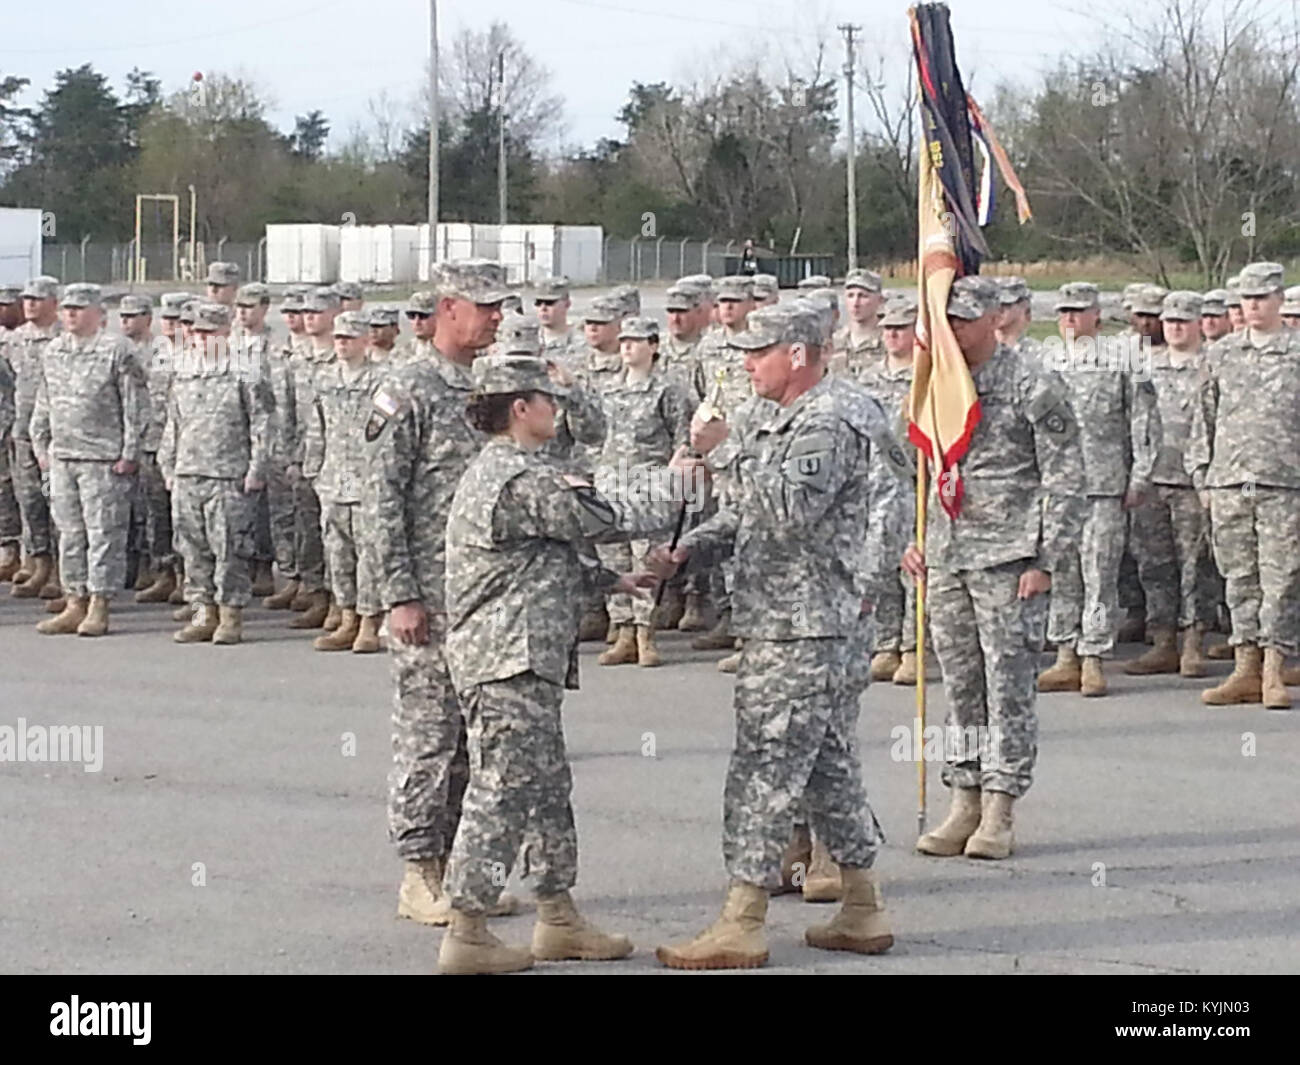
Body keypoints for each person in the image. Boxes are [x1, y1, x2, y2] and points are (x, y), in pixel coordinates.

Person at [649, 303, 907, 969]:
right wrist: (690, 550)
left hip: (807, 624)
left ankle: (743, 917)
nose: (746, 364)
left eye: (758, 352)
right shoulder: (781, 416)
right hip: (786, 616)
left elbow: (791, 510)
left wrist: (722, 448)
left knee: (765, 767)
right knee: (826, 768)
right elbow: (750, 515)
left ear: (798, 353)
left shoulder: (829, 418)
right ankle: (862, 903)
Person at [437, 350, 679, 975]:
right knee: (502, 790)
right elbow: (606, 517)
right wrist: (683, 473)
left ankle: (557, 914)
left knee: (545, 788)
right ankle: (467, 925)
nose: (558, 410)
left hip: (522, 655)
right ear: (522, 408)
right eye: (550, 400)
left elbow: (539, 559)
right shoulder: (519, 478)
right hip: (504, 659)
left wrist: (608, 581)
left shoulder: (514, 471)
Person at [363, 259, 521, 927]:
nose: (495, 317)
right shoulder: (408, 388)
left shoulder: (487, 386)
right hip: (429, 598)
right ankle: (418, 872)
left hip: (484, 597)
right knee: (427, 737)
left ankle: (460, 871)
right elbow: (381, 498)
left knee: (470, 741)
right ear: (449, 308)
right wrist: (399, 593)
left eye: (498, 306)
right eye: (483, 306)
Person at [905, 276, 1086, 860]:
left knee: (1007, 685)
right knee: (961, 684)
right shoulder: (936, 383)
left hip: (1010, 556)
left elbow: (1065, 477)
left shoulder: (1034, 382)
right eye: (944, 321)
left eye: (963, 320)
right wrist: (915, 537)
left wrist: (1047, 560)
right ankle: (964, 797)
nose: (953, 330)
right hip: (949, 552)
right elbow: (906, 460)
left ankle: (1001, 807)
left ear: (992, 320)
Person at [1036, 281, 1160, 698]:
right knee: (1062, 573)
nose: (1070, 318)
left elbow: (1142, 418)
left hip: (1104, 484)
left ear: (1097, 317)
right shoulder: (1045, 362)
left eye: (1078, 311)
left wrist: (1141, 473)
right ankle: (1065, 652)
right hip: (1057, 487)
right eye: (1064, 311)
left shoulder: (1122, 360)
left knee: (1100, 574)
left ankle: (1094, 657)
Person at [1187, 261, 1300, 708]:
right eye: (1246, 299)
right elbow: (1204, 418)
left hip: (1284, 482)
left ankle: (1275, 669)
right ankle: (1245, 667)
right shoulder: (1222, 354)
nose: (1253, 306)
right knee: (1239, 577)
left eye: (1262, 298)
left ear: (1278, 301)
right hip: (1230, 481)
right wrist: (1203, 477)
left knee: (1282, 578)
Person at [29, 283, 149, 637]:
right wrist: (41, 443)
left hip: (103, 458)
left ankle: (99, 603)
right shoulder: (54, 350)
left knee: (104, 534)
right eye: (66, 308)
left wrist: (129, 453)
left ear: (98, 313)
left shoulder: (116, 350)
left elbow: (135, 405)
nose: (70, 314)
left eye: (79, 308)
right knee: (70, 534)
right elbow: (44, 399)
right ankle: (74, 600)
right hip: (64, 456)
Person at [159, 302, 272, 645]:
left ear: (225, 333)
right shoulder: (184, 369)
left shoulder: (246, 369)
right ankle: (201, 613)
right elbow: (173, 422)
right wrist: (168, 465)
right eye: (195, 332)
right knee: (192, 549)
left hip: (228, 475)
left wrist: (257, 469)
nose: (200, 338)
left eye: (208, 332)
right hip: (188, 472)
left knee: (229, 550)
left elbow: (263, 423)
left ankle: (230, 616)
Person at [594, 315, 696, 668]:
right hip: (612, 481)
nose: (626, 347)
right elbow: (595, 436)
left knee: (646, 558)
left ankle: (644, 633)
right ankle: (621, 630)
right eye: (623, 341)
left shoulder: (669, 389)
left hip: (649, 483)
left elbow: (682, 439)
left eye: (635, 341)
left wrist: (677, 482)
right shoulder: (607, 388)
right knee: (613, 558)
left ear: (653, 346)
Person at [1124, 291, 1215, 678]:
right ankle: (1162, 640)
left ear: (1198, 323)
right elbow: (1130, 421)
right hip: (1150, 479)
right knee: (1155, 563)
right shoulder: (1145, 367)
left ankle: (1194, 640)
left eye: (1183, 320)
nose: (1175, 326)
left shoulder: (1213, 365)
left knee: (1196, 565)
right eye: (1170, 320)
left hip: (1193, 482)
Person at [306, 311, 383, 652]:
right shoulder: (323, 379)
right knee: (337, 553)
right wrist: (314, 469)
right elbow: (315, 427)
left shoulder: (383, 381)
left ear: (366, 341)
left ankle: (369, 621)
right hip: (333, 479)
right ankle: (347, 615)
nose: (342, 344)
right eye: (338, 338)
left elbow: (388, 431)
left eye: (350, 338)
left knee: (369, 555)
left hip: (368, 481)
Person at [858, 296, 922, 685]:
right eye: (887, 328)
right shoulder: (867, 376)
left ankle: (913, 648)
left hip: (915, 483)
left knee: (912, 568)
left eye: (900, 328)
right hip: (874, 484)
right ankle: (885, 643)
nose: (892, 335)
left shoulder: (928, 377)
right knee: (878, 563)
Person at [8, 276, 61, 601]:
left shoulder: (63, 339)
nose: (30, 304)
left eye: (37, 299)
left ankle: (59, 569)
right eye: (27, 298)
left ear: (53, 303)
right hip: (23, 433)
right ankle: (38, 561)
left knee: (56, 502)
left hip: (55, 437)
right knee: (29, 502)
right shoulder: (16, 340)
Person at [829, 269, 885, 377]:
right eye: (850, 296)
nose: (855, 303)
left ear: (880, 300)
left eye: (863, 296)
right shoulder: (834, 342)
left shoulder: (890, 340)